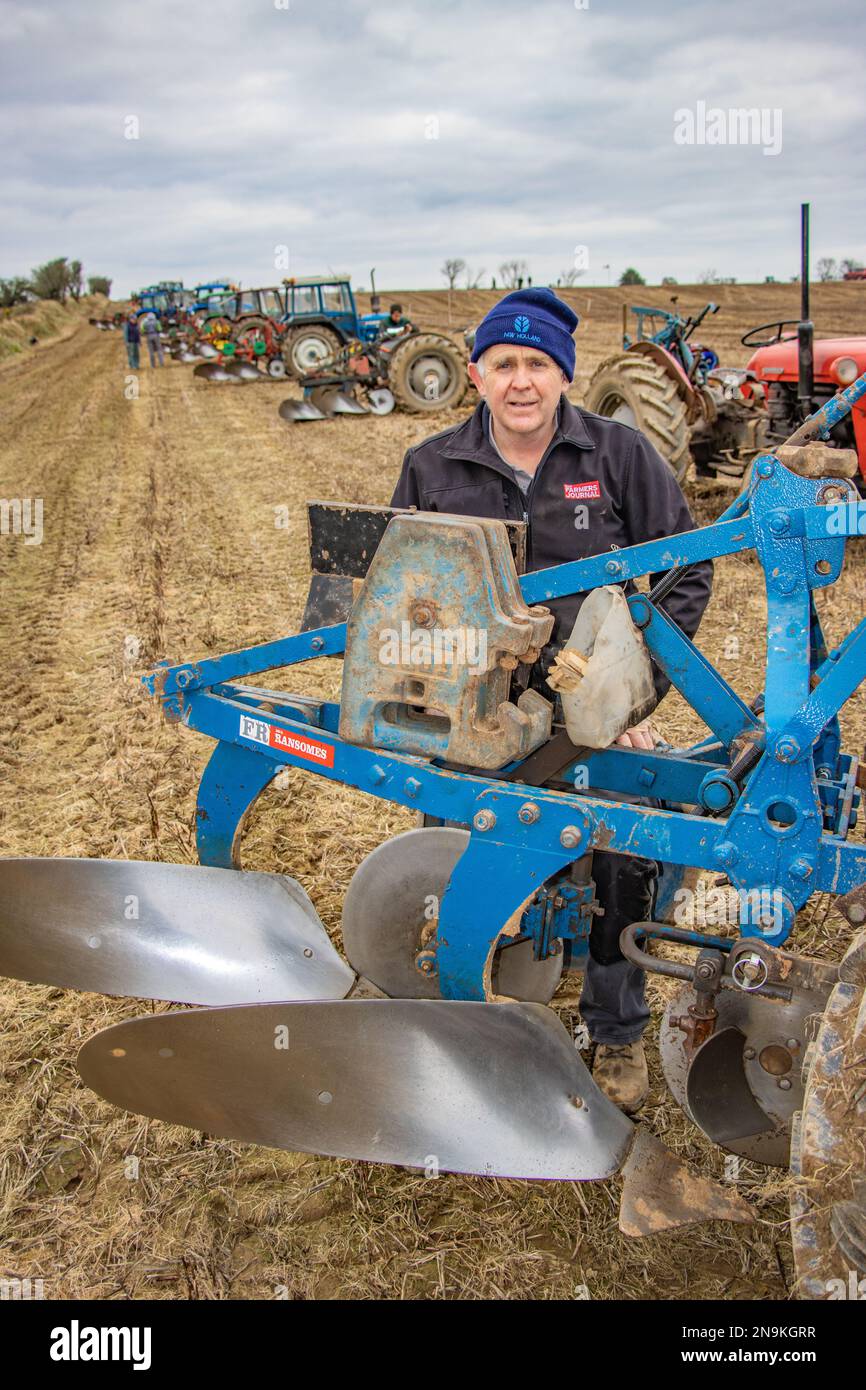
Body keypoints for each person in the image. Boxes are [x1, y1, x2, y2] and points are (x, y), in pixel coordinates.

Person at [390, 286, 713, 1112]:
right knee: (466, 851)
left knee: (620, 853)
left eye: (539, 364)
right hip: (473, 709)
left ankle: (614, 1037)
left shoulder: (619, 456)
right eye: (505, 364)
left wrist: (632, 696)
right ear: (476, 374)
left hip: (592, 714)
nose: (522, 380)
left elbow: (686, 570)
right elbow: (401, 593)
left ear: (564, 374)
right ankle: (473, 1019)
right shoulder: (434, 465)